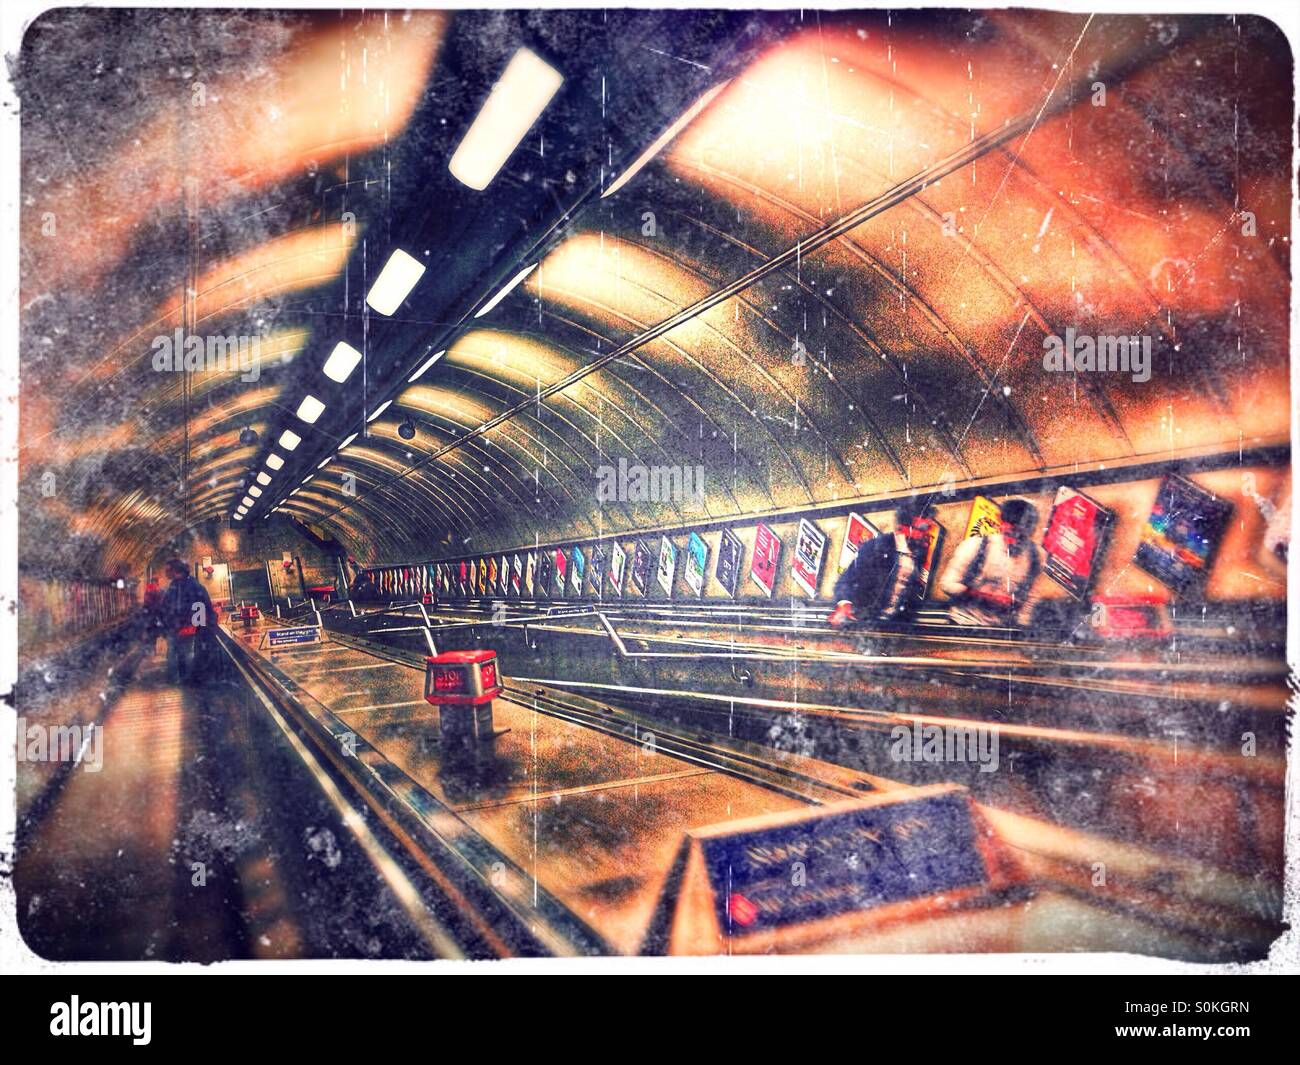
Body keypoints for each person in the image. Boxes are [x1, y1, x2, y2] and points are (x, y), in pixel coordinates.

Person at [939, 497, 1042, 626]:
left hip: (1001, 629)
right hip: (964, 622)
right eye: (1011, 532)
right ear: (1000, 522)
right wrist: (980, 595)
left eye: (1022, 535)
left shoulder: (1035, 556)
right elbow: (947, 583)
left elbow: (1031, 598)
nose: (1015, 539)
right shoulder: (975, 545)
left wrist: (1021, 626)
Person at [828, 504, 931, 628]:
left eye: (928, 527)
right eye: (923, 527)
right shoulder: (874, 547)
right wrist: (845, 603)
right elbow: (846, 581)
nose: (926, 533)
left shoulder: (920, 552)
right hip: (867, 622)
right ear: (905, 527)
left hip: (897, 623)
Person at [161, 558, 213, 684]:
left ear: (176, 571)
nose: (165, 573)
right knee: (182, 654)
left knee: (182, 654)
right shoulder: (186, 585)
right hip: (180, 627)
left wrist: (193, 626)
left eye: (168, 570)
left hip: (185, 628)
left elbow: (199, 606)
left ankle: (184, 680)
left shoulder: (183, 586)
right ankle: (182, 680)